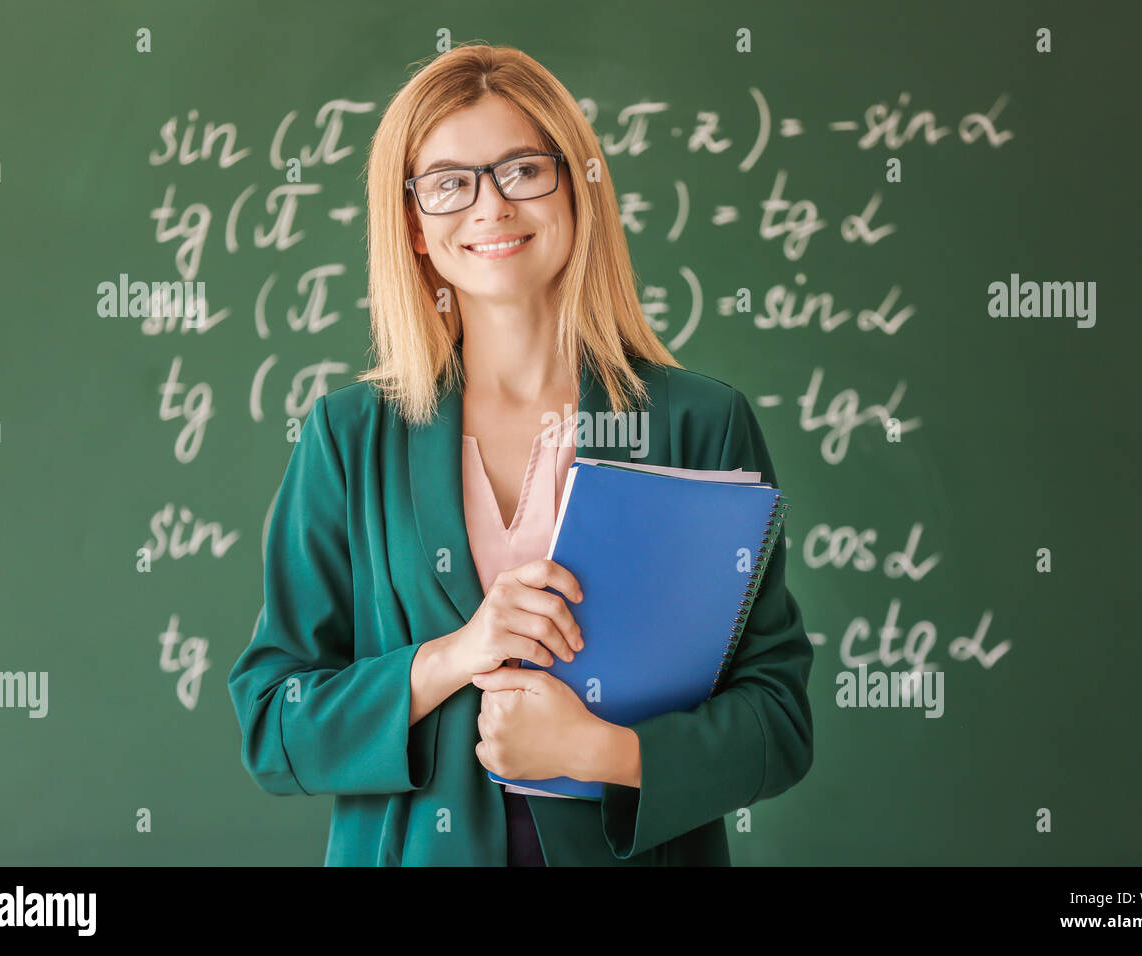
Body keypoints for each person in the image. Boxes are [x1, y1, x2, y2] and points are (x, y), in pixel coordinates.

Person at [227, 42, 814, 866]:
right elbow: (273, 724)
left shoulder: (699, 423)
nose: (491, 206)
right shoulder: (349, 437)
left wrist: (596, 751)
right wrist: (455, 654)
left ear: (578, 188)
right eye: (448, 183)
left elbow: (777, 721)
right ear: (415, 227)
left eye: (522, 170)